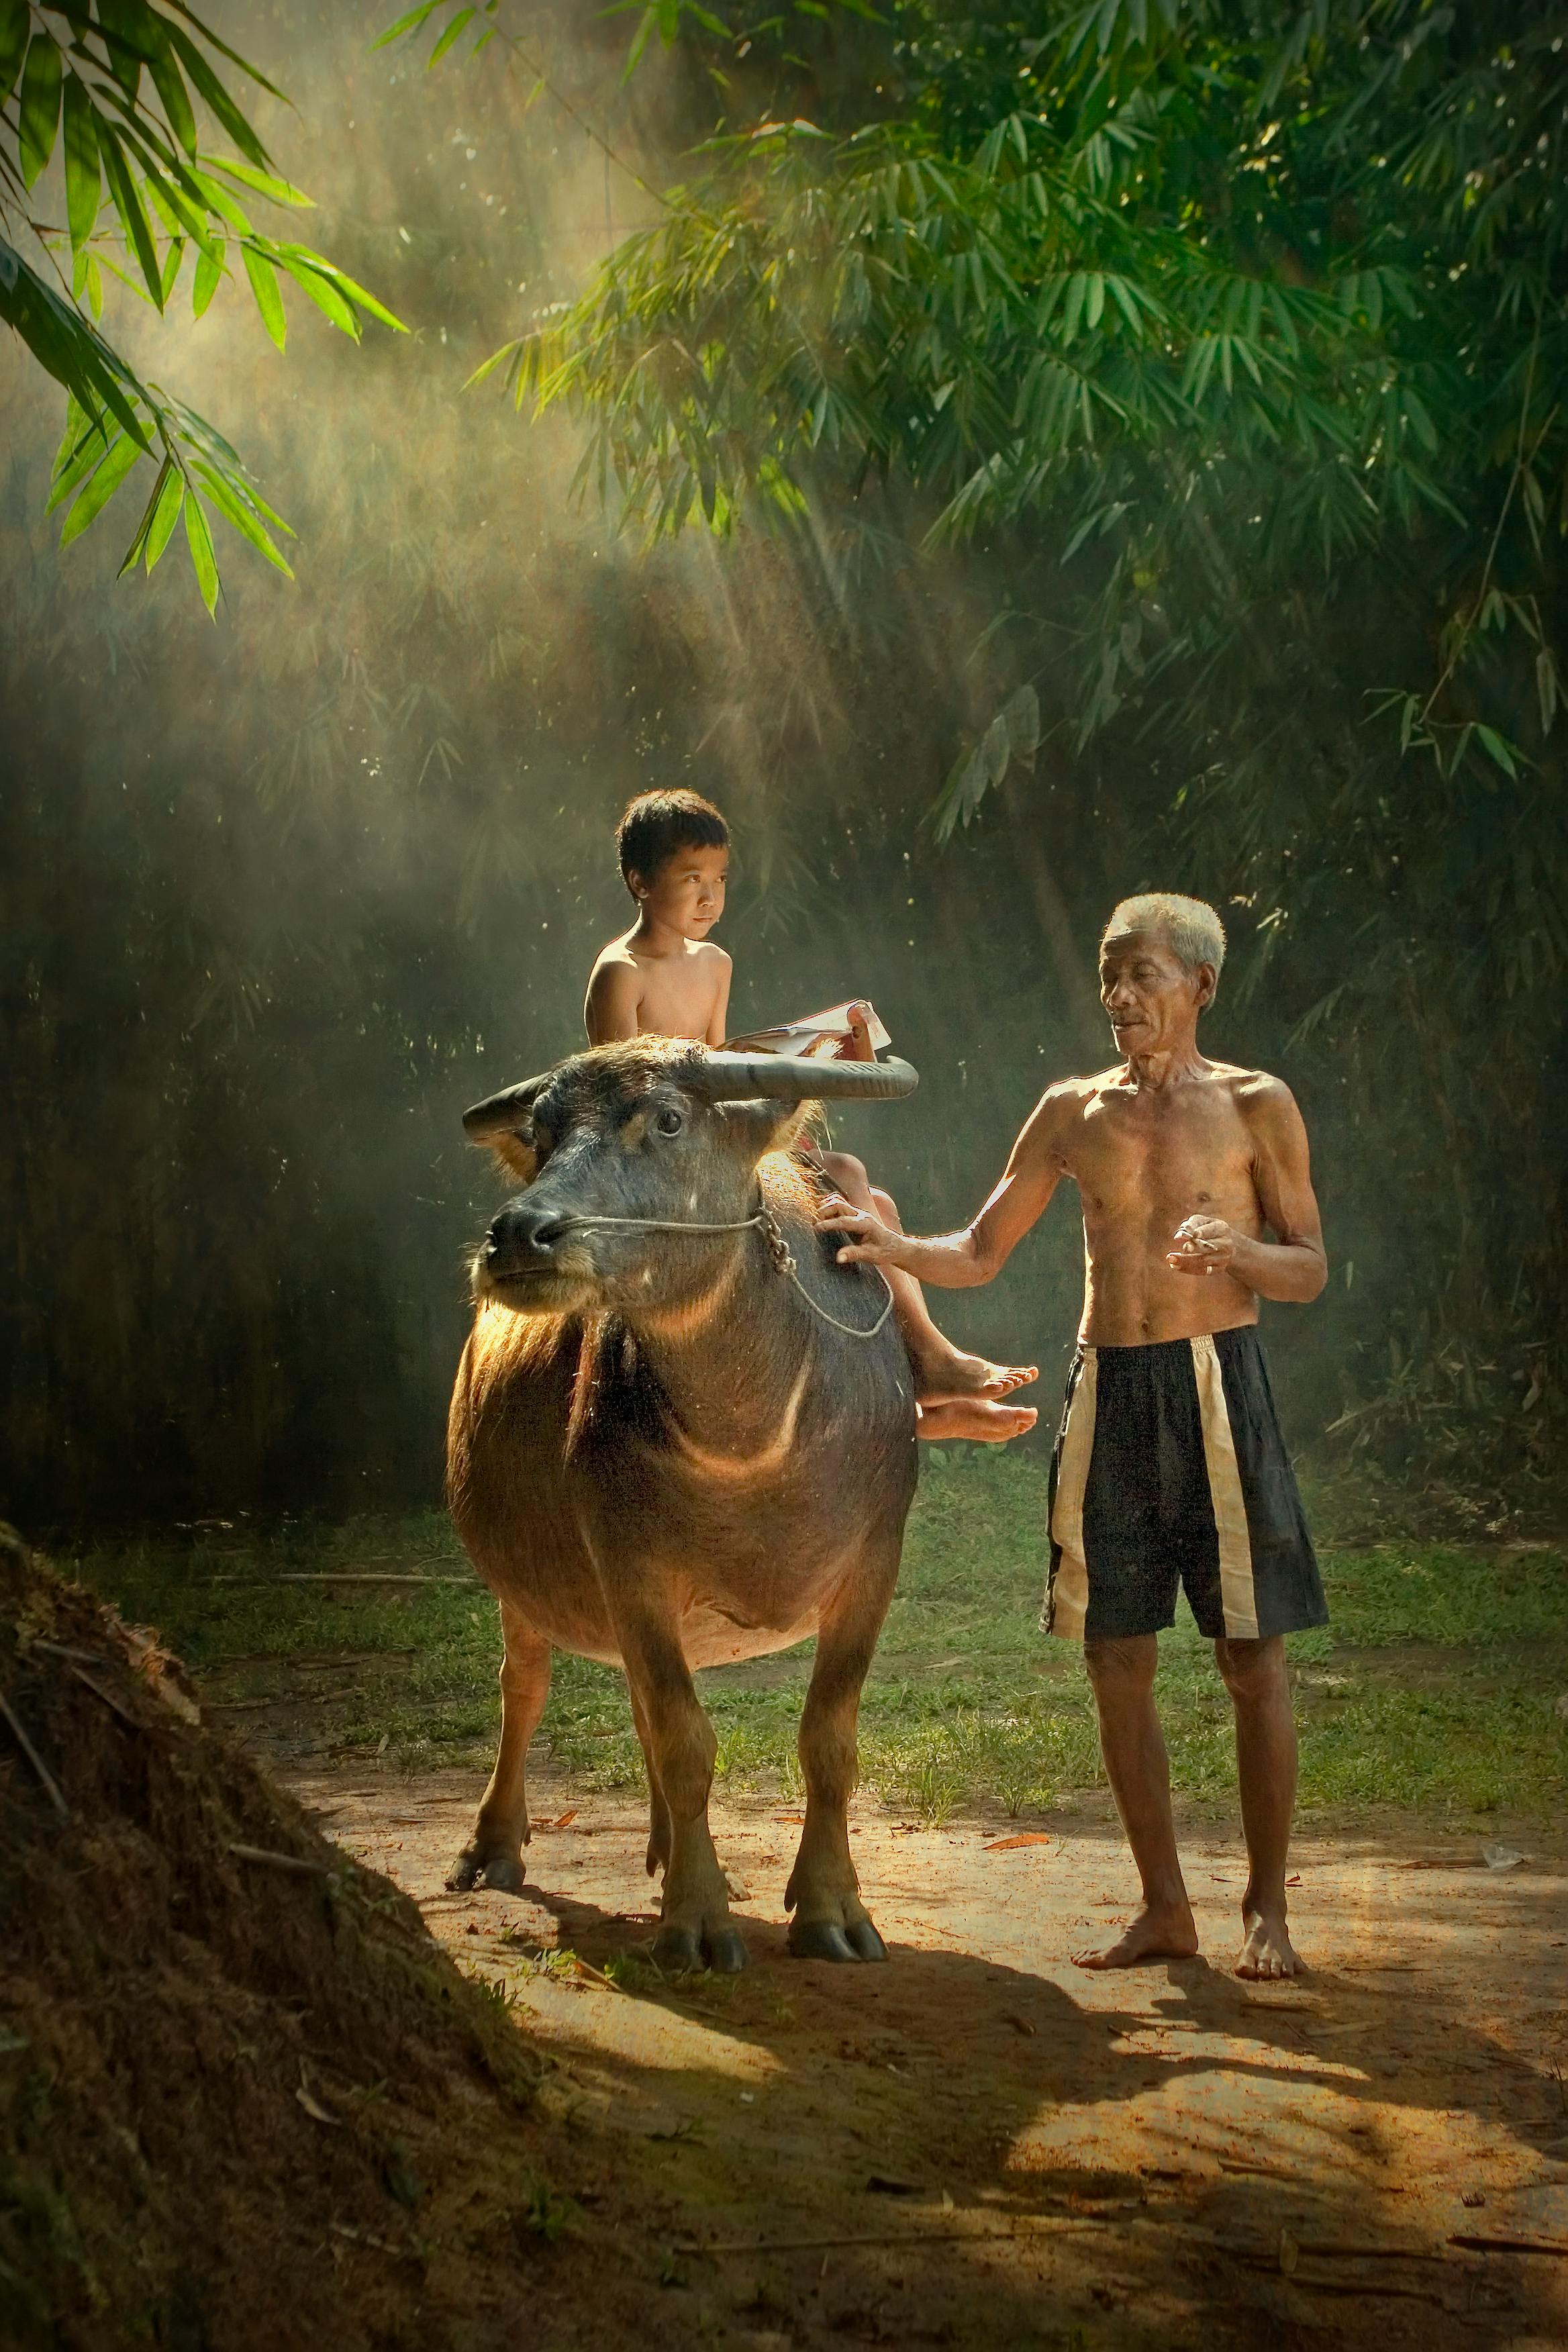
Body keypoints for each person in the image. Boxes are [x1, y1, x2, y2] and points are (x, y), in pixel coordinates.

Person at [818, 893, 1329, 1979]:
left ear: (1201, 985)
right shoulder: (1070, 1110)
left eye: (1144, 975)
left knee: (1252, 1655)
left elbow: (1309, 1267)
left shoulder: (1257, 1103)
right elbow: (978, 1248)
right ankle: (1164, 1908)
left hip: (1217, 1386)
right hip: (1109, 1388)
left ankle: (1267, 1908)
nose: (1120, 996)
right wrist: (891, 1245)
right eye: (1110, 976)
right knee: (1115, 1655)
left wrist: (1240, 1251)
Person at [585, 789, 1038, 1441]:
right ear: (640, 881)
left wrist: (815, 1041)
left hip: (713, 1133)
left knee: (873, 1202)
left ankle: (920, 1385)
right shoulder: (619, 973)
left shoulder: (714, 963)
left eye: (719, 879)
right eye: (691, 879)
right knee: (849, 1174)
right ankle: (930, 1367)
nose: (710, 897)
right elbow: (622, 1102)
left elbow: (719, 1065)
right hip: (659, 1152)